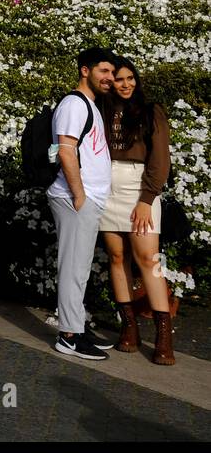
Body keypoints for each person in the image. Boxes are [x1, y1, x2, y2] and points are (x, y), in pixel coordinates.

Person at [99, 58, 175, 364]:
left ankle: (164, 332)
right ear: (110, 83)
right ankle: (129, 326)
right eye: (119, 79)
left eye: (131, 78)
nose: (126, 84)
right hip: (107, 186)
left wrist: (147, 198)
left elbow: (160, 158)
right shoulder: (101, 109)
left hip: (139, 187)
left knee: (149, 258)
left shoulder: (150, 111)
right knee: (117, 258)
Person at [47, 47, 116, 361]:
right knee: (73, 268)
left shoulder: (90, 104)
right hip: (75, 198)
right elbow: (65, 150)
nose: (110, 78)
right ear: (85, 70)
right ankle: (69, 337)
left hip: (87, 198)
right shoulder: (74, 104)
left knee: (80, 269)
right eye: (104, 71)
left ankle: (76, 324)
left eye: (112, 73)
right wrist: (79, 195)